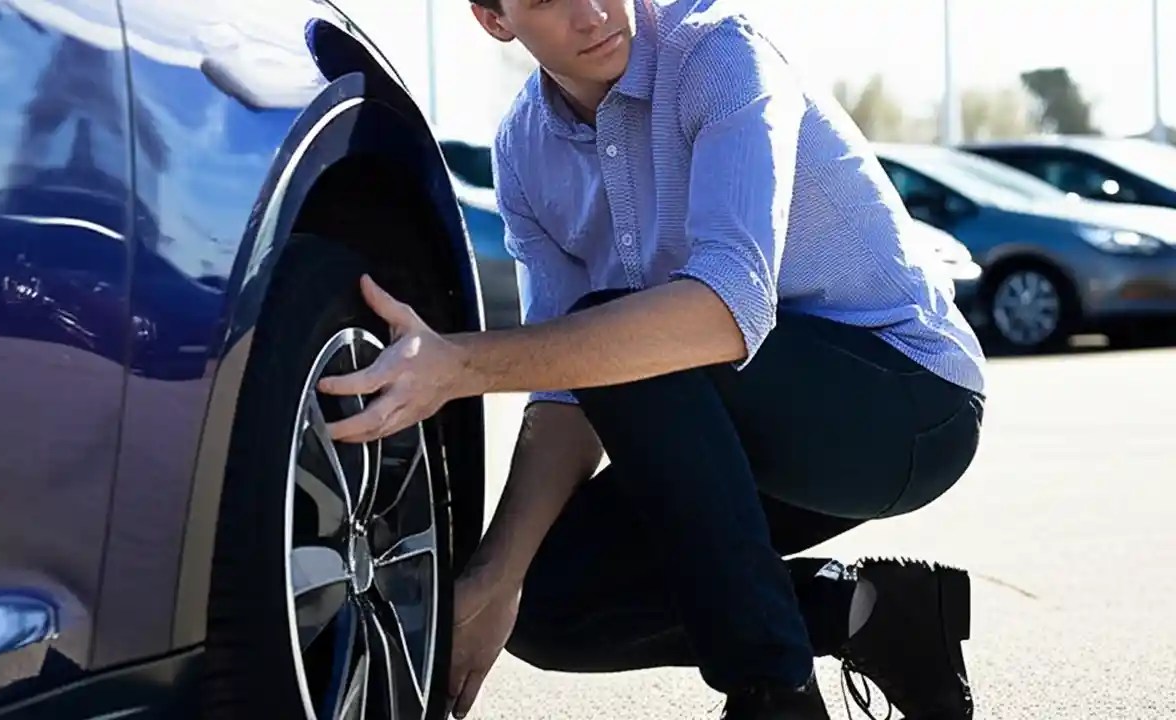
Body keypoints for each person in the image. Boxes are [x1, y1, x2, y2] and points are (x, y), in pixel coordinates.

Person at [316, 0, 988, 717]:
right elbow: (571, 390)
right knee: (550, 600)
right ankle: (872, 613)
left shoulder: (719, 55)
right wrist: (491, 580)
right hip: (736, 436)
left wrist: (463, 365)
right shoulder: (523, 149)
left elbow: (729, 310)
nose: (592, 12)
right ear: (494, 19)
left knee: (623, 337)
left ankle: (771, 692)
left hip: (906, 407)